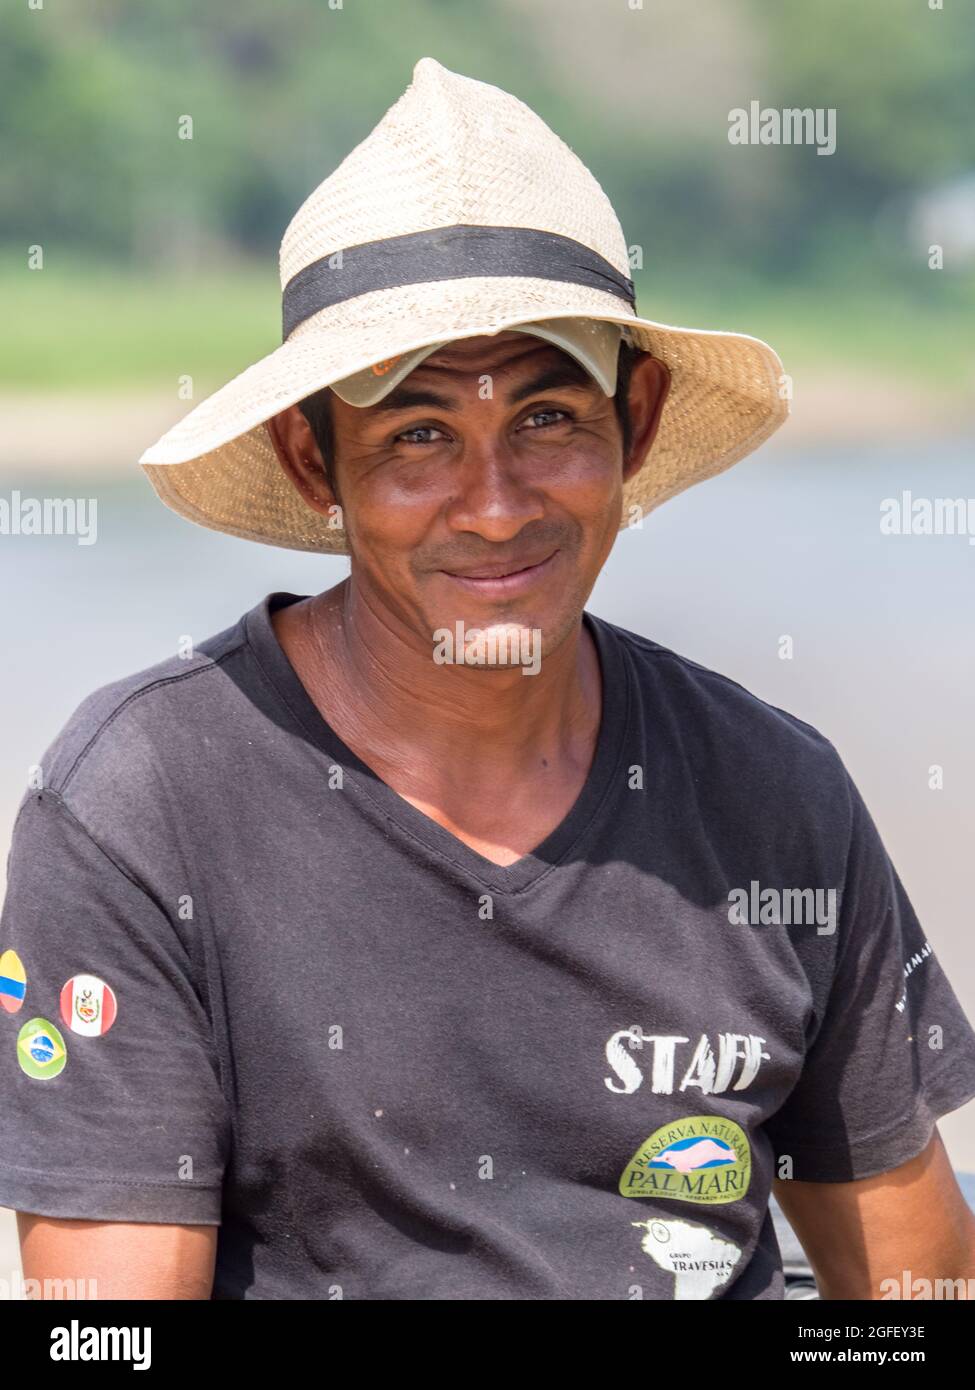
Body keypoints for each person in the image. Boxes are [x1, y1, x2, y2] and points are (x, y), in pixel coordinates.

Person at [2, 57, 974, 1302]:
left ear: (637, 420)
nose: (496, 505)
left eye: (548, 418)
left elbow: (909, 1291)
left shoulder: (776, 791)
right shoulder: (142, 805)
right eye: (417, 437)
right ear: (314, 461)